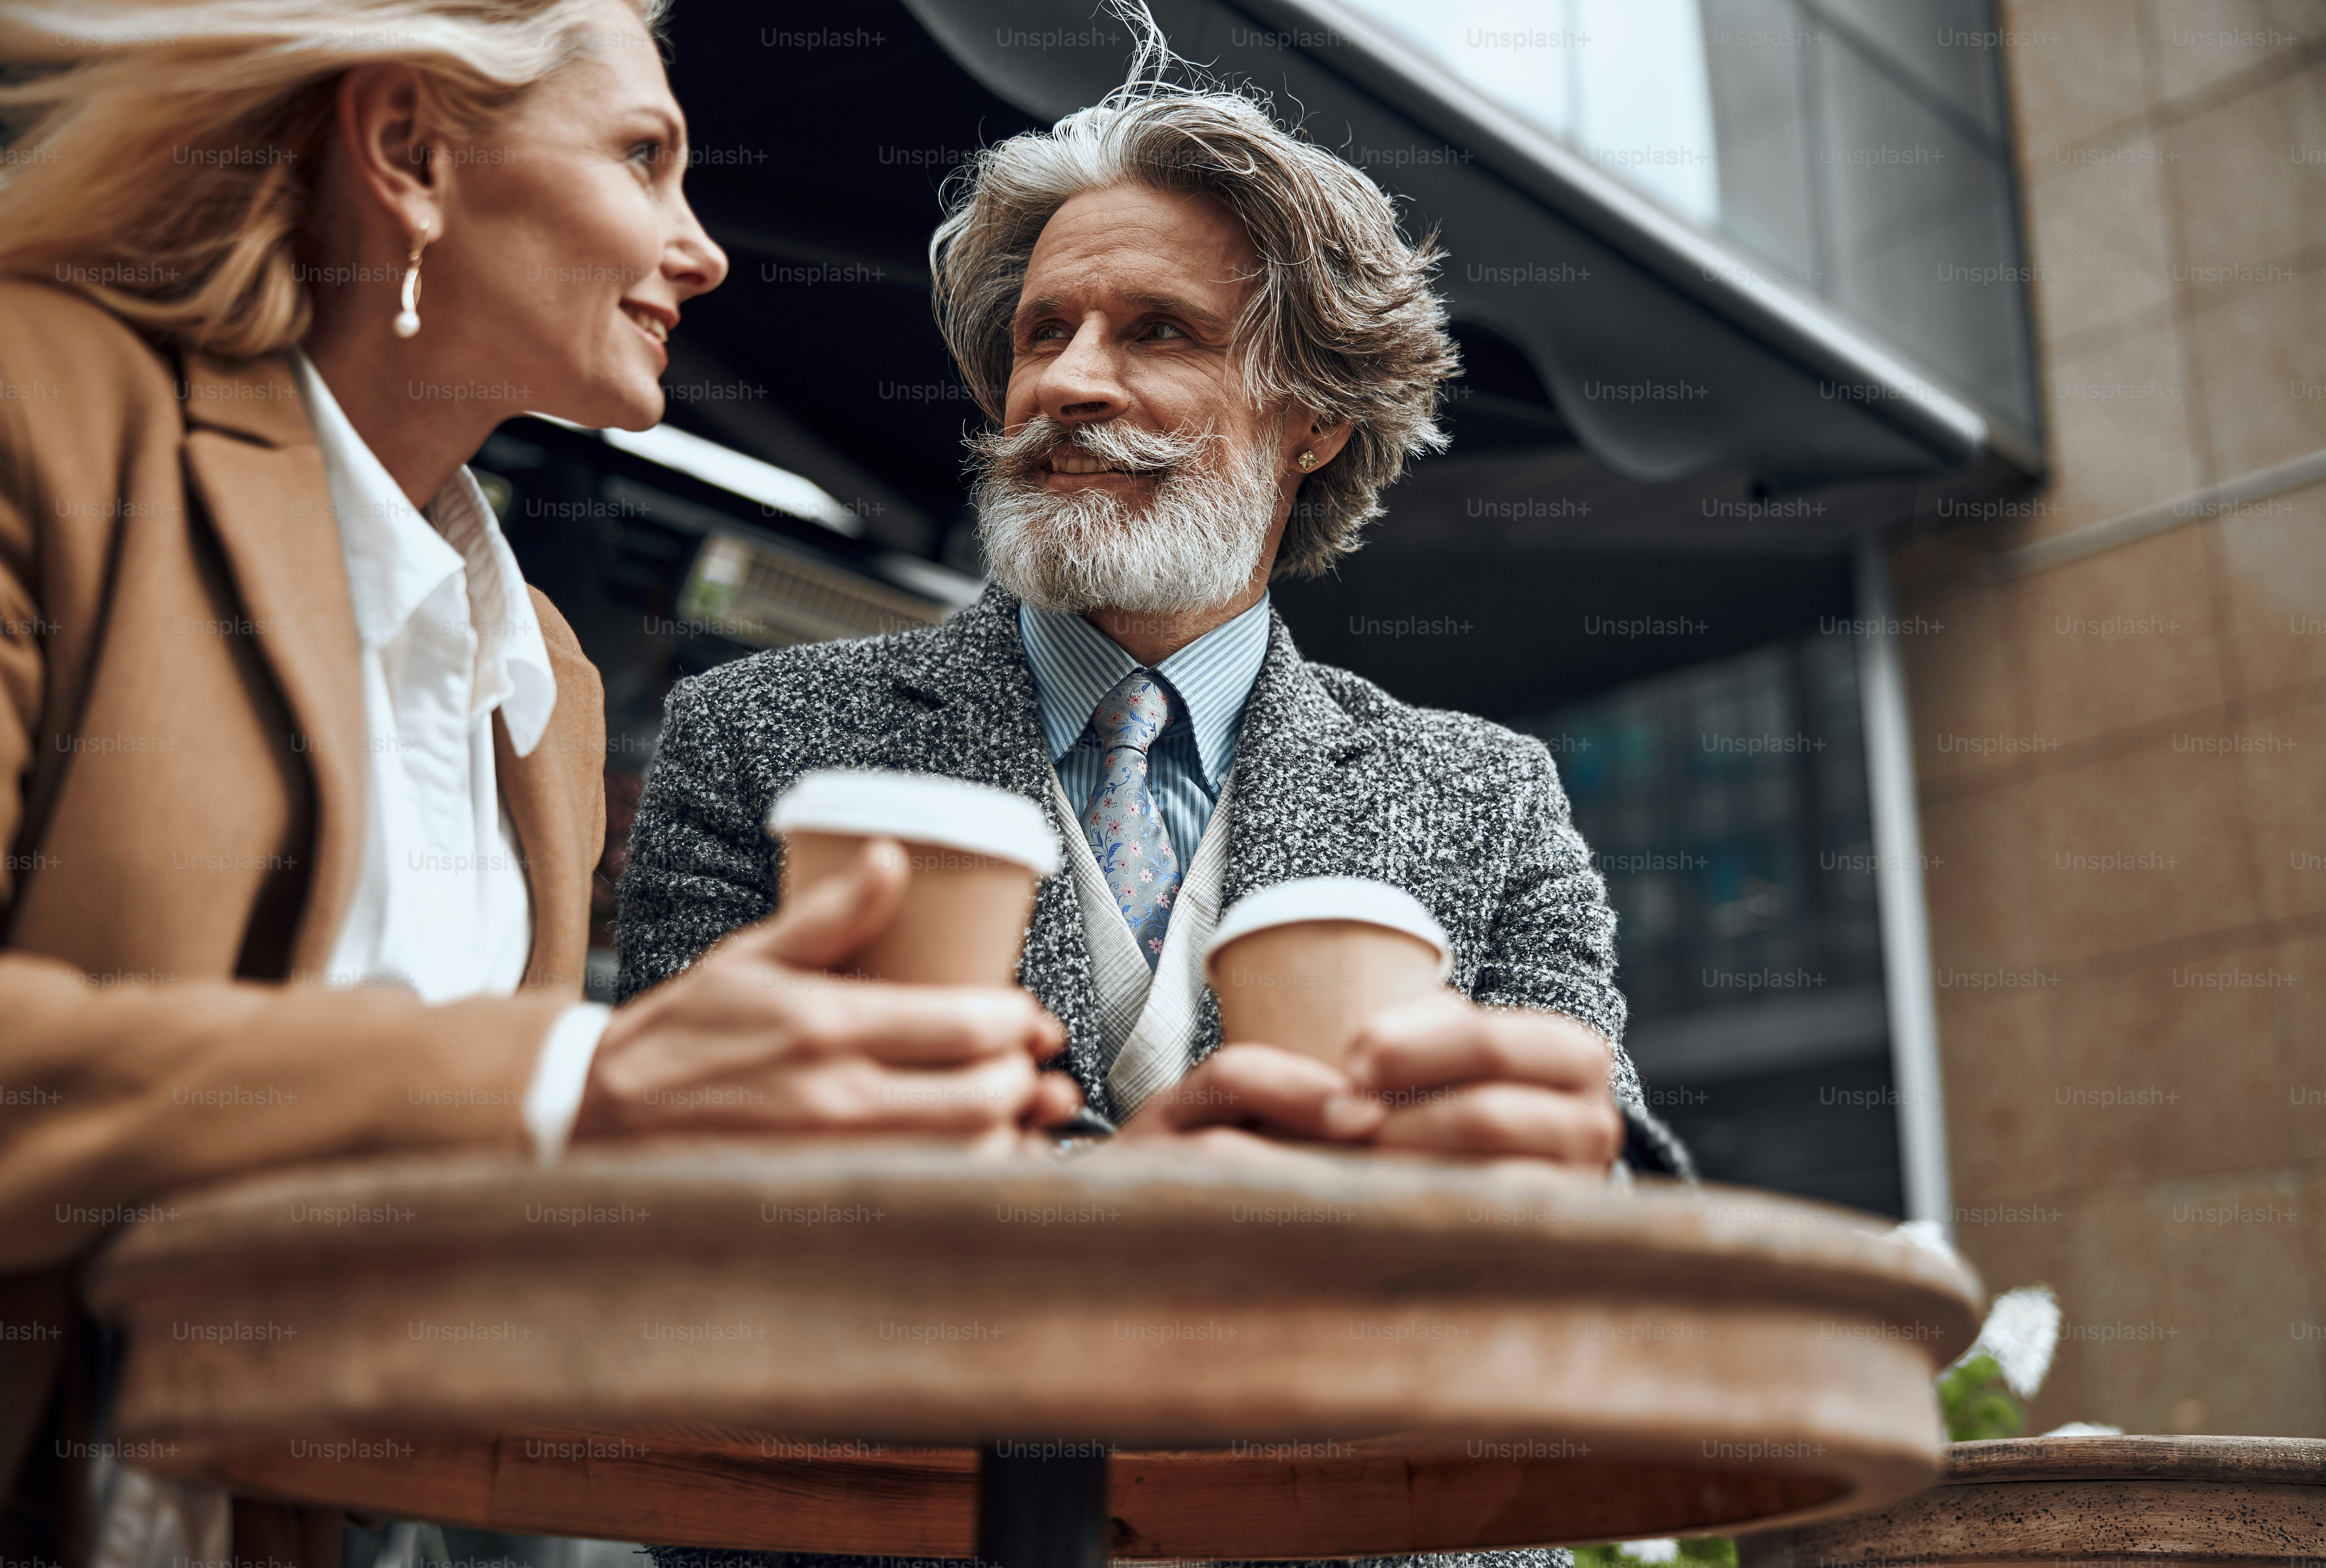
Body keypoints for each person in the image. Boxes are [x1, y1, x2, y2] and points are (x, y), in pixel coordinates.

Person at [0, 0, 1076, 1555]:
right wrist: (575, 1087)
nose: (701, 250)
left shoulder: (546, 681)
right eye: (645, 159)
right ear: (409, 152)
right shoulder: (43, 415)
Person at [617, 62, 1695, 1181]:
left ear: (1317, 419)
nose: (1068, 384)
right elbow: (667, 1177)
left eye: (1159, 331)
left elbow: (1608, 1203)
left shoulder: (1491, 802)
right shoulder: (752, 740)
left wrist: (1564, 1162)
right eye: (1043, 334)